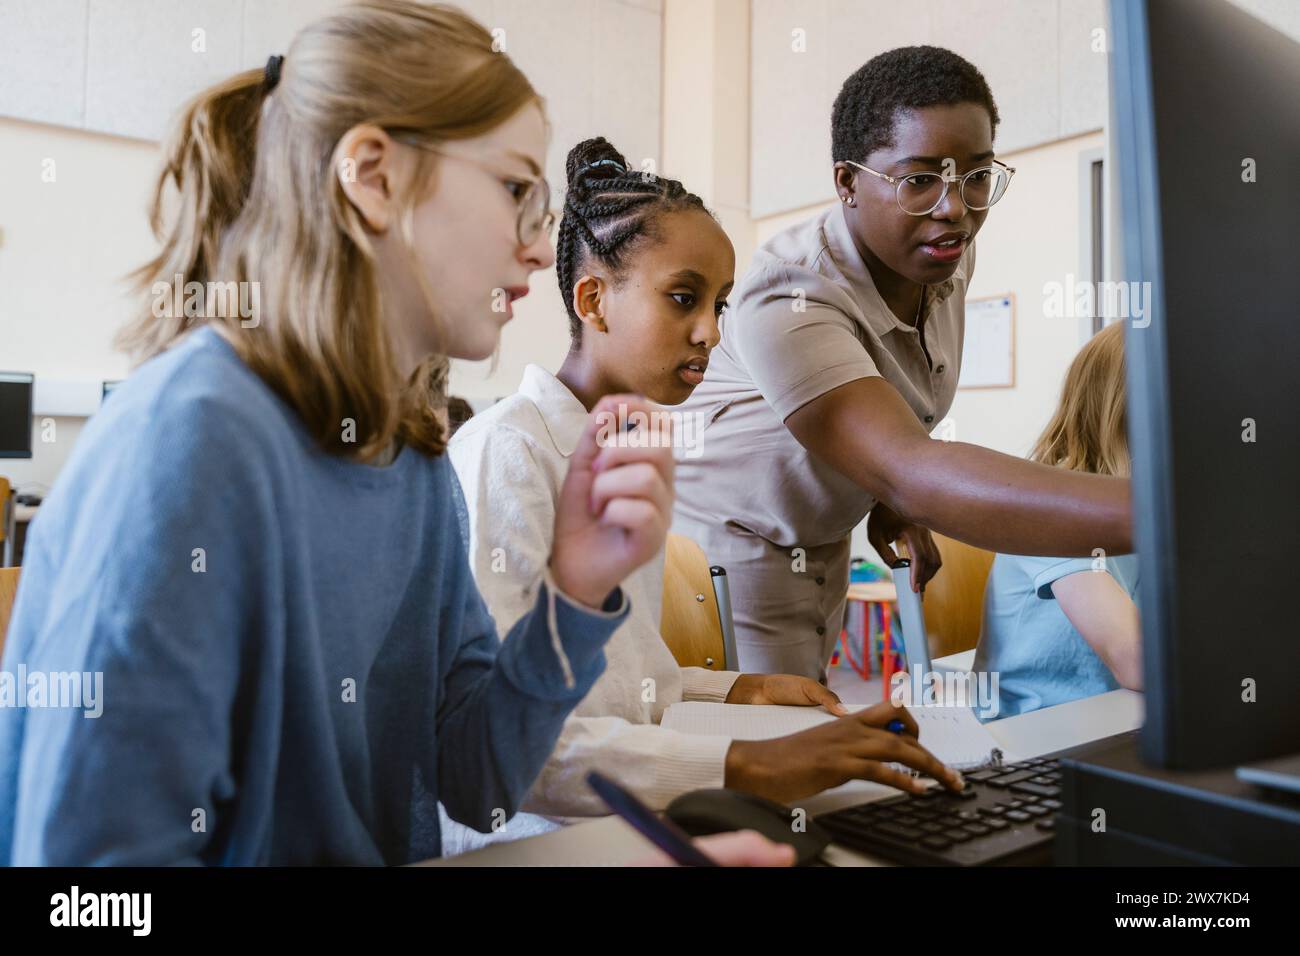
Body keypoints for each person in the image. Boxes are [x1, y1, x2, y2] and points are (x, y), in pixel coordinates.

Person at [0, 1, 677, 866]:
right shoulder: (193, 442)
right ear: (374, 174)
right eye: (517, 190)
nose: (540, 251)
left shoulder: (409, 455)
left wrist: (574, 593)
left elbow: (474, 777)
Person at [444, 136, 963, 855]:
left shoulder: (629, 449)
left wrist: (739, 691)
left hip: (626, 821)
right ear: (593, 299)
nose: (711, 333)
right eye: (683, 298)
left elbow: (628, 685)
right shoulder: (508, 452)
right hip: (535, 841)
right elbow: (513, 745)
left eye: (720, 304)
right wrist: (750, 765)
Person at [672, 46, 1132, 679]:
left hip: (823, 533)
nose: (955, 208)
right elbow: (912, 468)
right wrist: (1175, 512)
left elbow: (898, 412)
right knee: (777, 745)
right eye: (919, 180)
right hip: (738, 542)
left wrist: (885, 494)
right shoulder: (789, 293)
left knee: (813, 727)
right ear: (847, 183)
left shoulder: (943, 250)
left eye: (974, 175)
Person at [974, 322, 1141, 719]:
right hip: (1034, 732)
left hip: (1121, 716)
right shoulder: (1049, 507)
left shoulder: (1155, 503)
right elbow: (1138, 662)